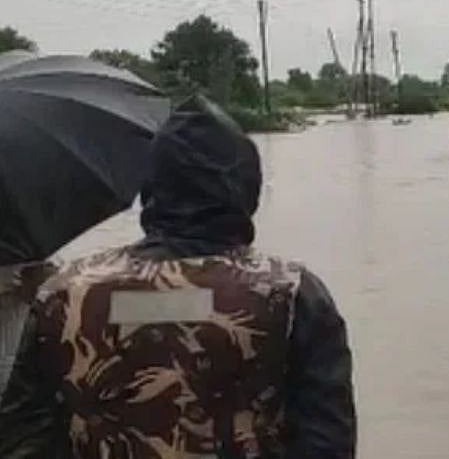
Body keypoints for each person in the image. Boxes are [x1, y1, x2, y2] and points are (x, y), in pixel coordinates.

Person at [0, 96, 356, 459]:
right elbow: (328, 442)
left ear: (151, 188)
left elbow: (22, 438)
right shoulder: (291, 293)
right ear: (247, 188)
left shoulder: (65, 293)